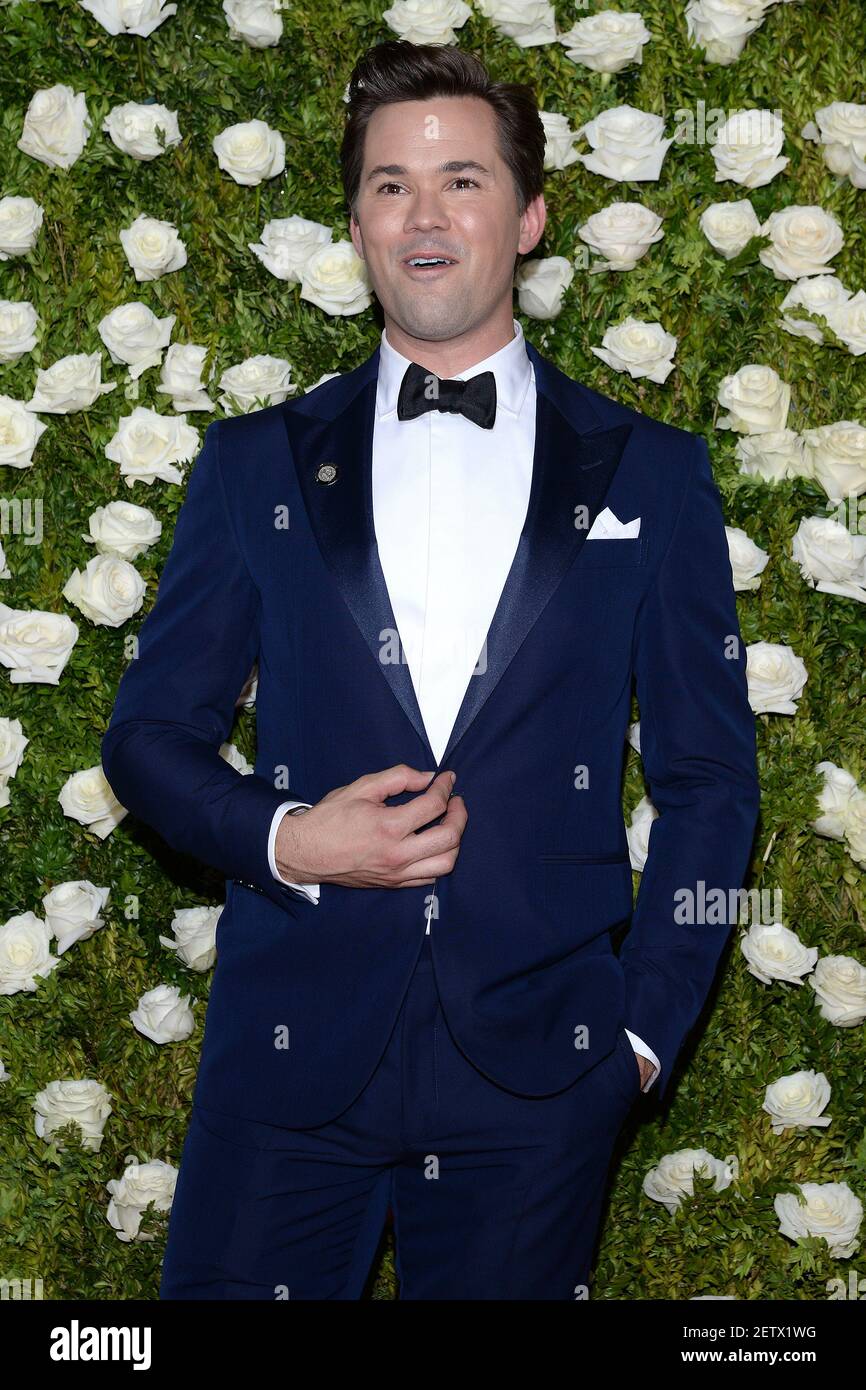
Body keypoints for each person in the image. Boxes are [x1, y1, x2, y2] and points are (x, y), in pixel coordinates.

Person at [101, 38, 760, 1300]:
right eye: (389, 185)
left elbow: (710, 782)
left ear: (529, 216)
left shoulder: (652, 474)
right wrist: (291, 837)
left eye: (461, 179)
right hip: (285, 1063)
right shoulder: (252, 466)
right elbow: (147, 739)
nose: (424, 215)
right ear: (353, 225)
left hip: (540, 1075)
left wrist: (634, 1038)